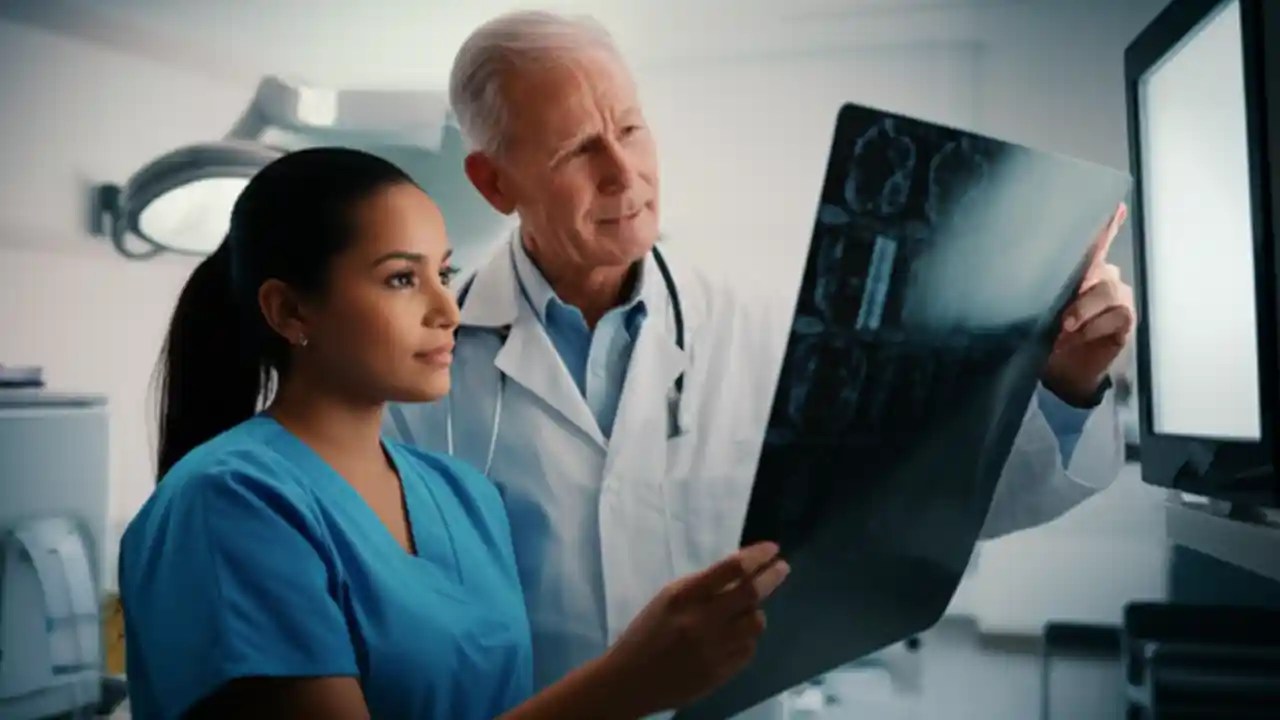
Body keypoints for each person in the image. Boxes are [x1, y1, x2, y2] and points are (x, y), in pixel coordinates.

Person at [384, 9, 1139, 719]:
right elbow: (392, 639)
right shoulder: (413, 377)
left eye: (630, 129)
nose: (624, 174)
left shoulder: (766, 326)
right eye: (577, 149)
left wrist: (1066, 381)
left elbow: (937, 500)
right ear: (494, 182)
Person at [116, 147, 791, 720]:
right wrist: (623, 684)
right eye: (402, 278)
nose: (447, 308)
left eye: (442, 272)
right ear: (290, 309)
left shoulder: (465, 495)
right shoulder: (230, 501)